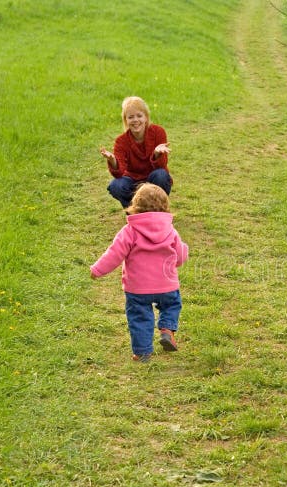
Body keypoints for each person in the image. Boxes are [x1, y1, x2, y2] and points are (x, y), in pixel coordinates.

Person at [90, 183, 189, 362]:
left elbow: (114, 254)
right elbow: (180, 255)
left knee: (139, 317)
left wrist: (97, 270)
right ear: (165, 207)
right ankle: (167, 329)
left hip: (138, 288)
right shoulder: (171, 230)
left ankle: (142, 352)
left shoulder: (130, 231)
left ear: (134, 206)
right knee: (171, 305)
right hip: (166, 284)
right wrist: (181, 257)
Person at [100, 96, 173, 208]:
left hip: (153, 178)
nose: (135, 120)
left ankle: (158, 210)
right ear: (126, 120)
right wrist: (113, 160)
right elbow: (119, 173)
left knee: (161, 175)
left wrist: (157, 154)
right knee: (116, 185)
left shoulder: (158, 132)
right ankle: (133, 211)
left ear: (146, 118)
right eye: (131, 117)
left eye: (139, 116)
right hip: (132, 180)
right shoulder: (121, 141)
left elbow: (162, 166)